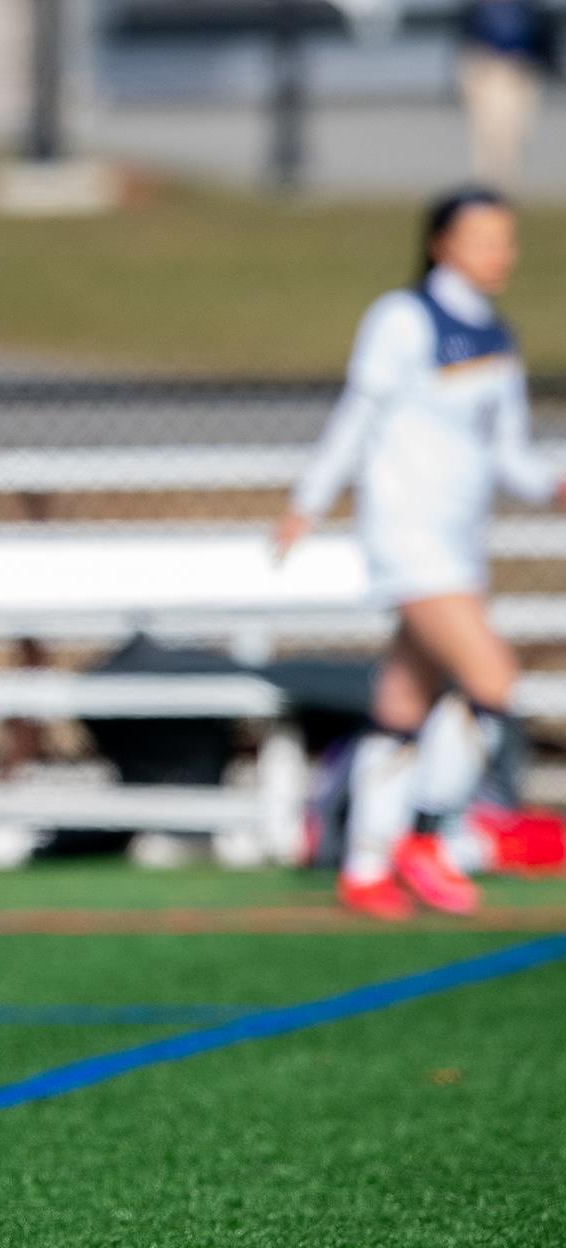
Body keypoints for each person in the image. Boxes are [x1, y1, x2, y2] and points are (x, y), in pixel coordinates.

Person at [275, 186, 563, 921]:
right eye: (483, 238)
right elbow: (358, 415)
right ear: (442, 243)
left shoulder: (495, 335)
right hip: (407, 538)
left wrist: (553, 483)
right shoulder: (402, 319)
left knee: (403, 702)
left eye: (506, 239)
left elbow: (511, 458)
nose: (501, 254)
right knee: (492, 679)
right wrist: (308, 503)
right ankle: (429, 833)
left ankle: (367, 863)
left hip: (461, 545)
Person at [458, 0, 554, 191]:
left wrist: (539, 64)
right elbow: (466, 43)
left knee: (517, 131)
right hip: (490, 71)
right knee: (488, 130)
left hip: (521, 72)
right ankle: (484, 185)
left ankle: (508, 182)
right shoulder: (479, 9)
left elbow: (543, 40)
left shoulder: (527, 8)